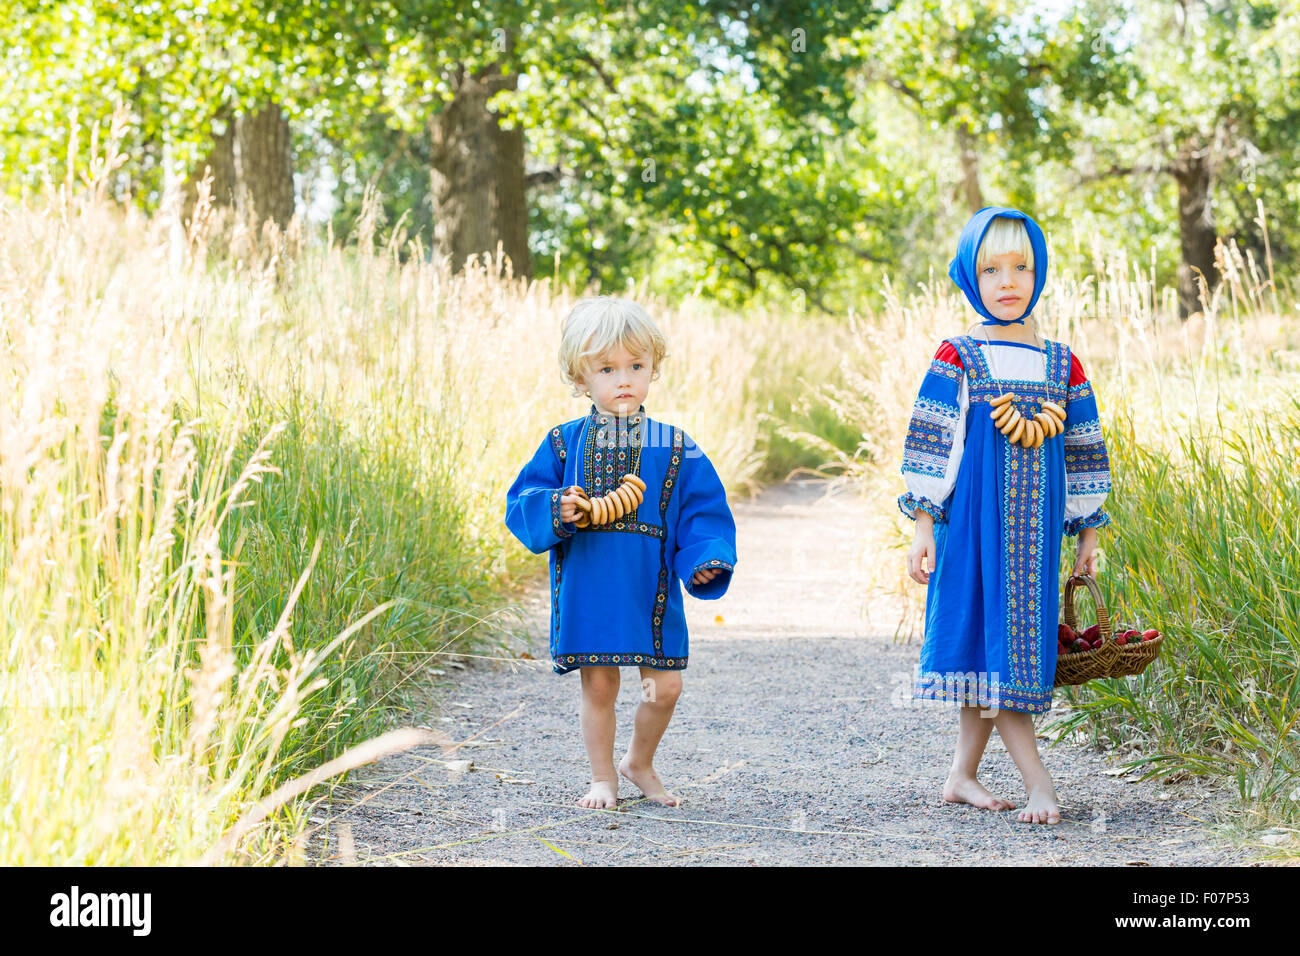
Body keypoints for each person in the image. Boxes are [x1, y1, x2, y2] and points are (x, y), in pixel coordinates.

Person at [897, 206, 1112, 824]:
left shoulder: (1060, 362)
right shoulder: (958, 355)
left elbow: (1084, 447)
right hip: (974, 528)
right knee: (994, 646)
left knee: (1011, 647)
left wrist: (1087, 530)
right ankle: (1039, 781)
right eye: (991, 269)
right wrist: (923, 526)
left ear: (1039, 273)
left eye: (1022, 266)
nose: (1008, 280)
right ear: (970, 276)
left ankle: (962, 775)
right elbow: (934, 444)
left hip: (1036, 534)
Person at [504, 296, 737, 810]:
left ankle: (639, 761)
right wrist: (556, 508)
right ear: (580, 377)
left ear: (654, 366)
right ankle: (603, 777)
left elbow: (703, 512)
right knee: (601, 686)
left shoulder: (676, 447)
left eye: (636, 365)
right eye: (607, 368)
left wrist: (704, 558)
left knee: (665, 687)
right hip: (592, 584)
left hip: (649, 590)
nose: (623, 378)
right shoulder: (564, 444)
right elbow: (521, 502)